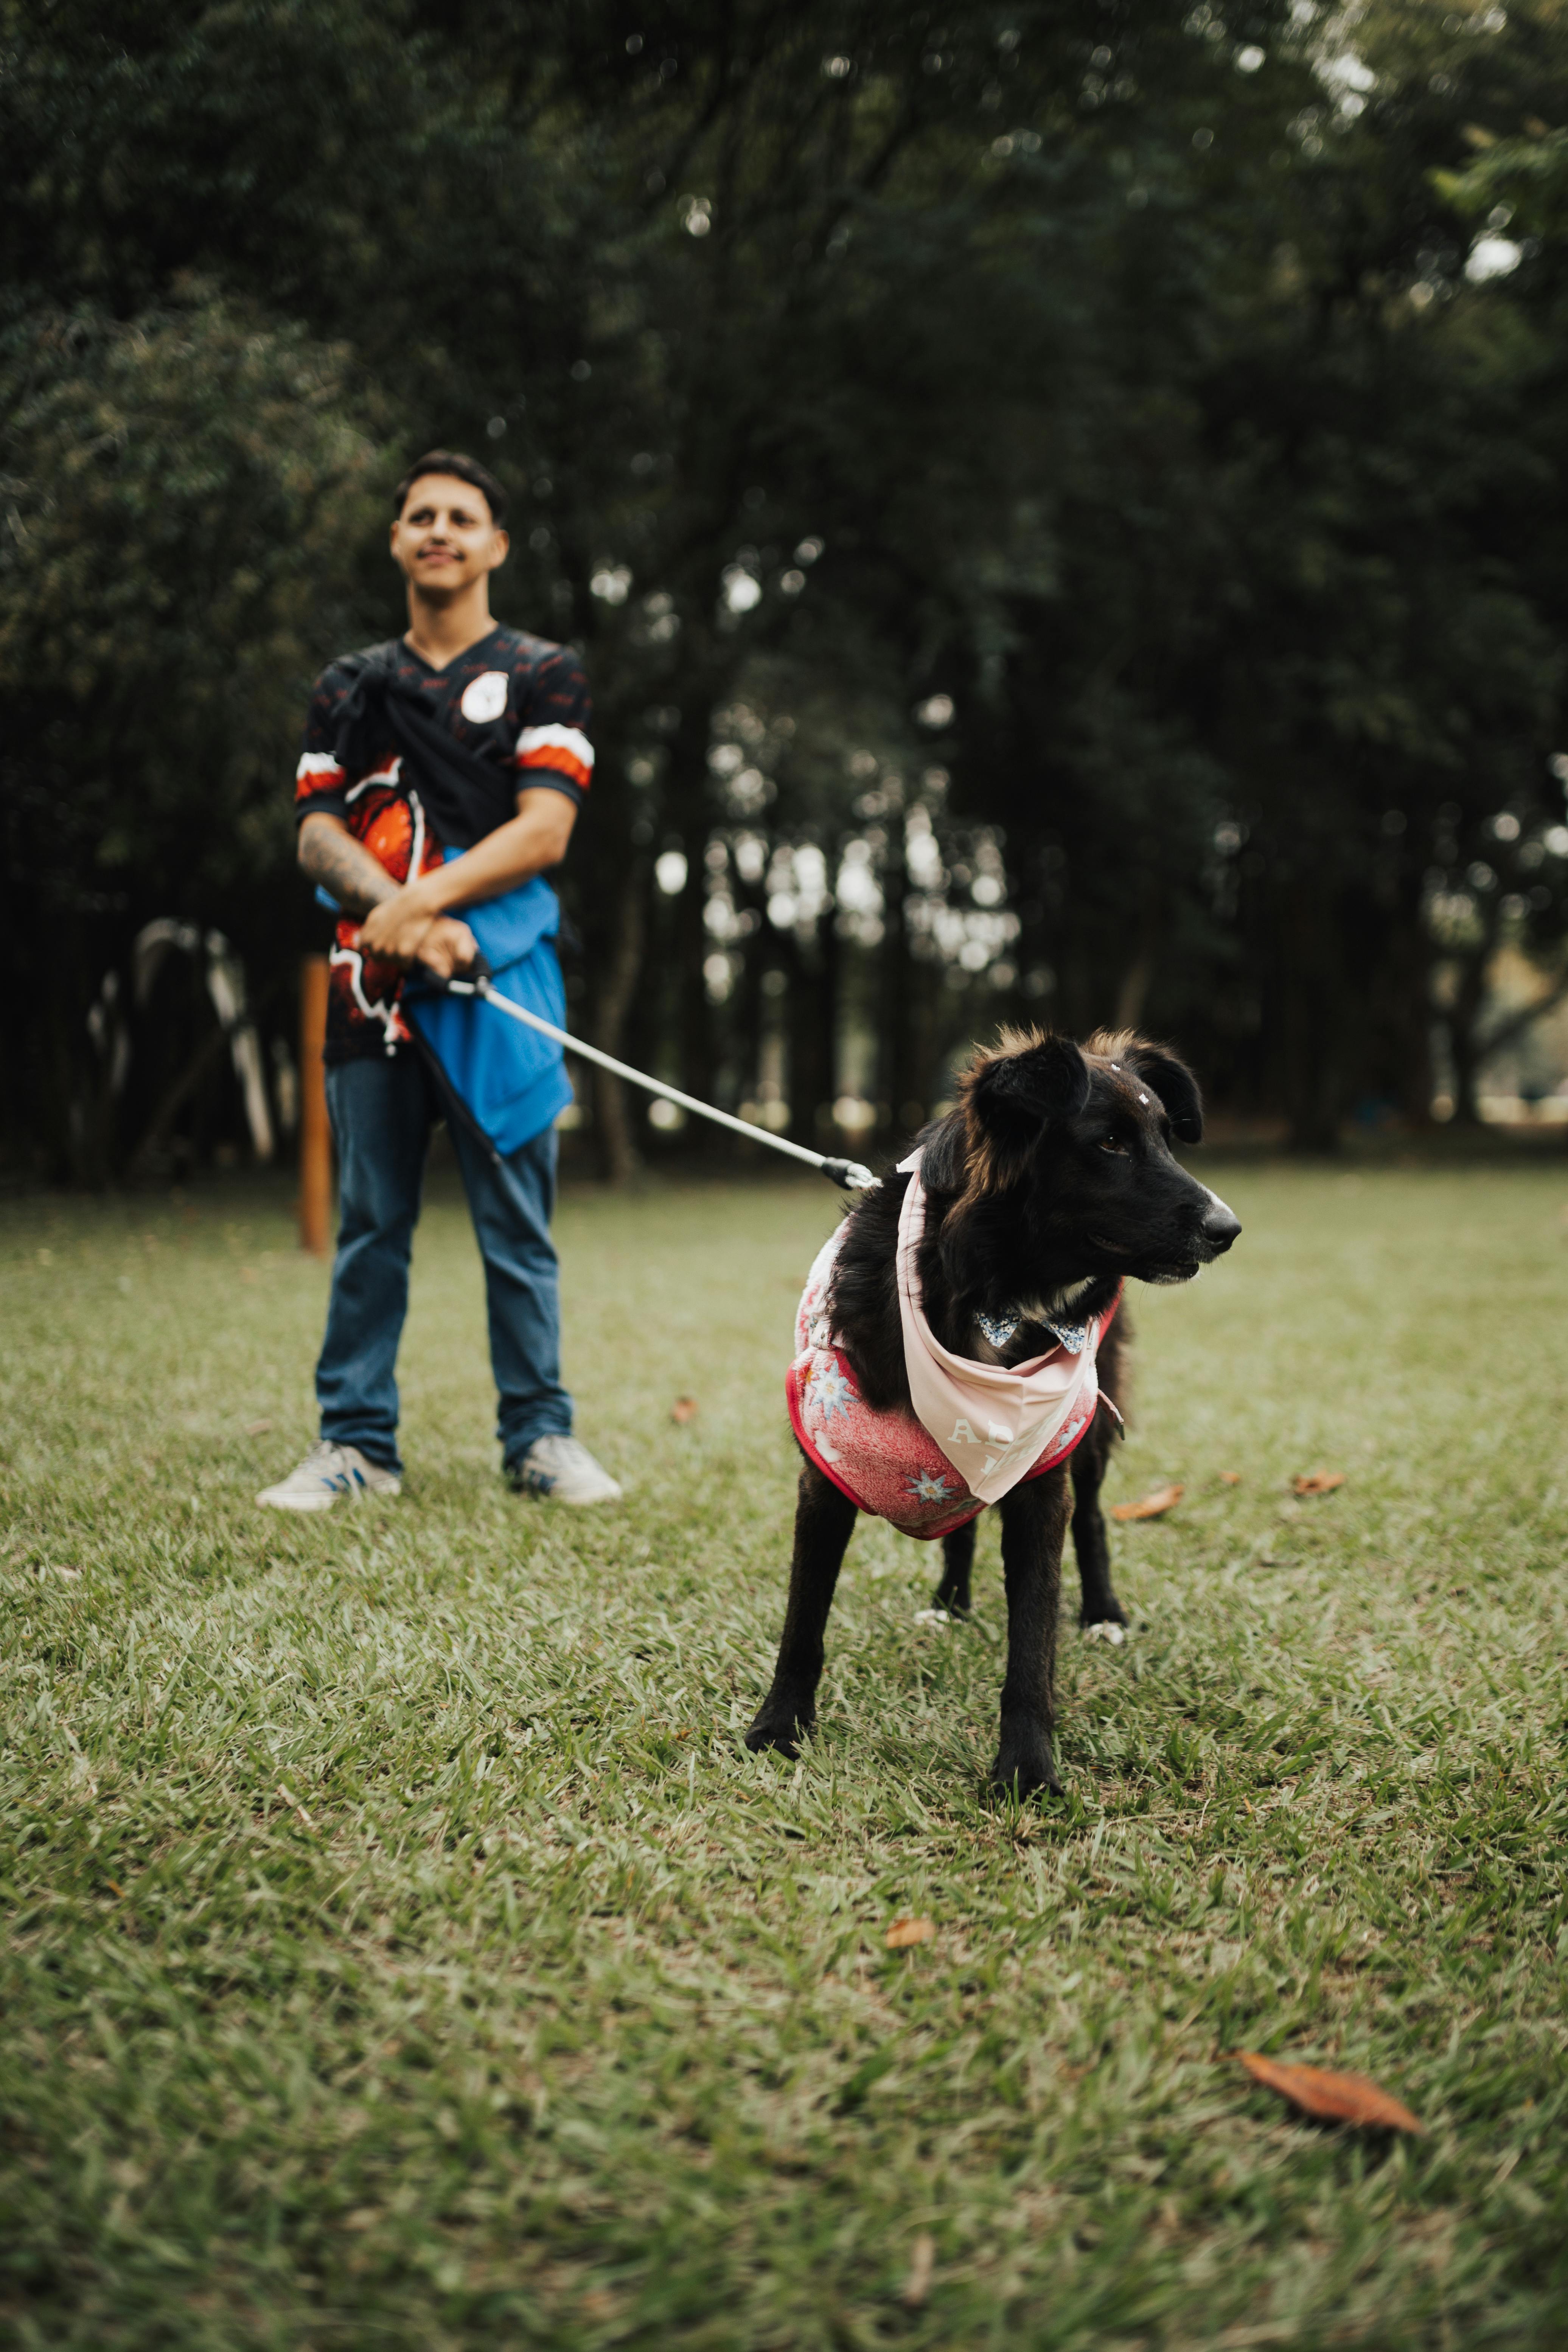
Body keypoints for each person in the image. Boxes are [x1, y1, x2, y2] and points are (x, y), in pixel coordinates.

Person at [258, 450, 621, 1512]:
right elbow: (314, 830)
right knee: (371, 1220)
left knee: (517, 1224)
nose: (439, 531)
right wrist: (394, 915)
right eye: (420, 515)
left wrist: (423, 909)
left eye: (462, 517)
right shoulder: (348, 684)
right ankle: (356, 1442)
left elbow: (545, 828)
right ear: (396, 540)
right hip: (367, 995)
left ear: (494, 546)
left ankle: (540, 1438)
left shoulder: (547, 673)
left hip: (500, 987)